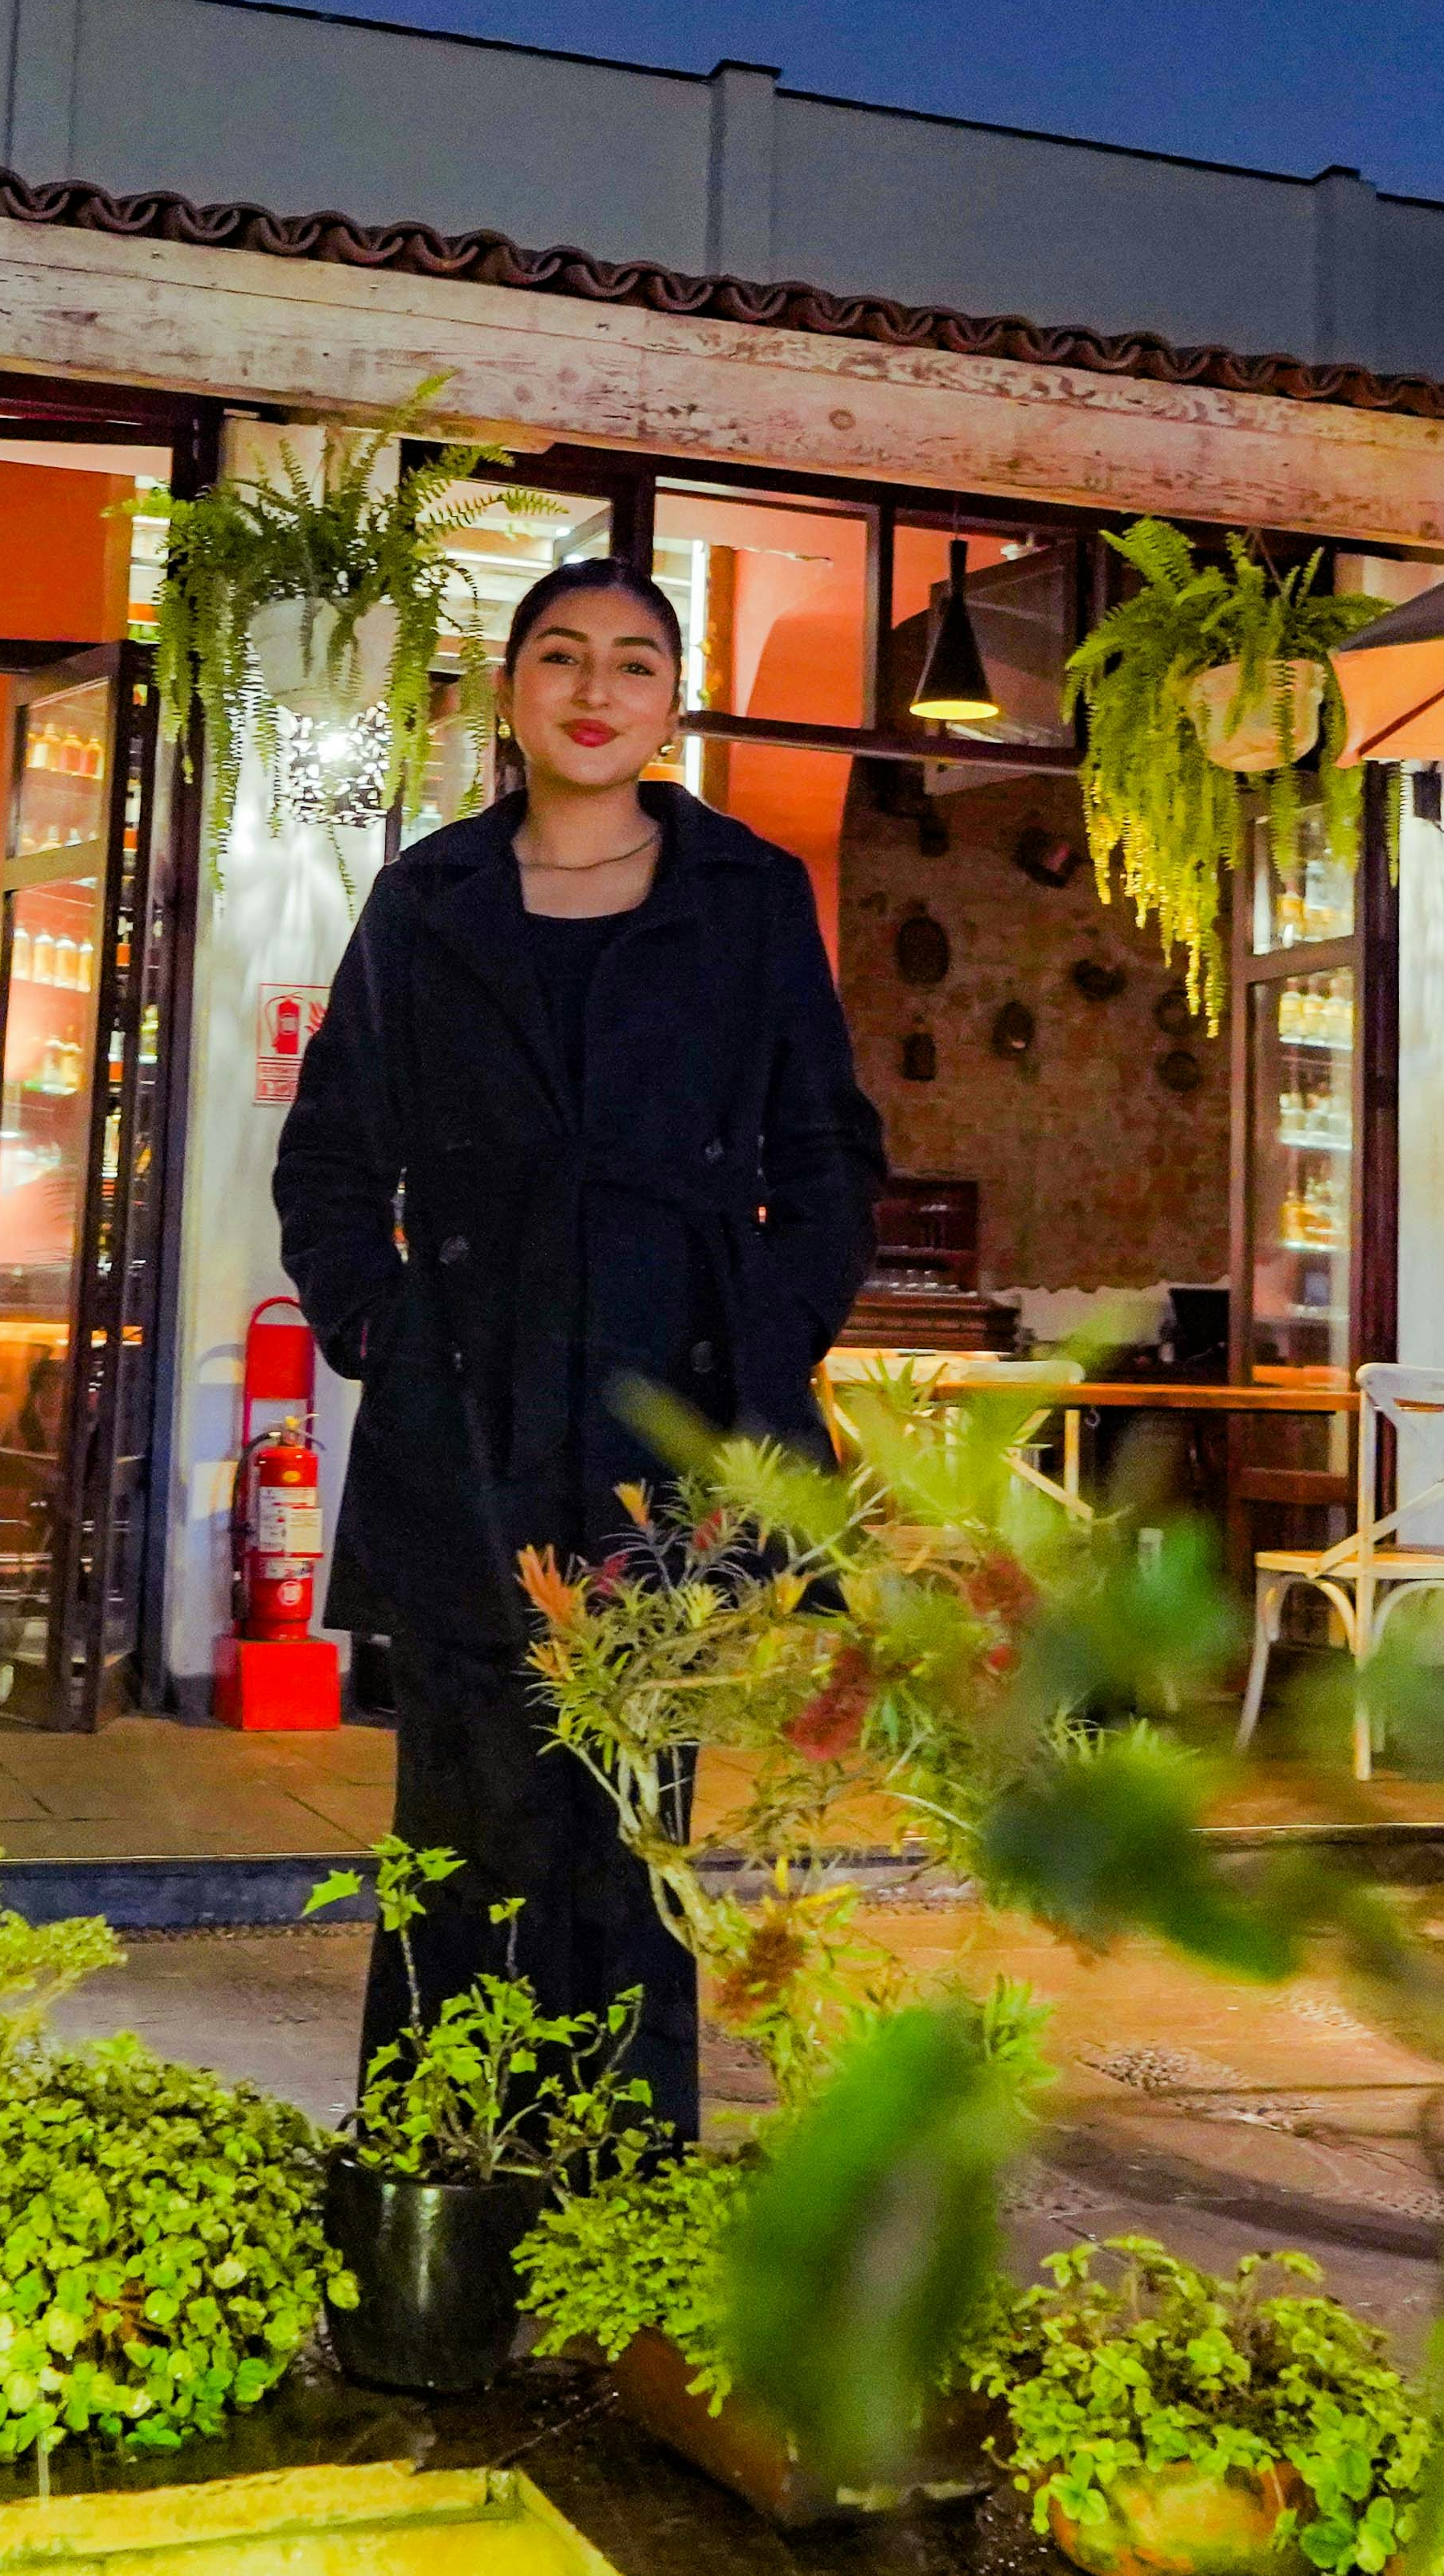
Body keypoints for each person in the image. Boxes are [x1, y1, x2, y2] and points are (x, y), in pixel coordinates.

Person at [275, 558, 884, 2134]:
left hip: (663, 1414)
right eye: (561, 655)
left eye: (633, 660)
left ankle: (618, 2187)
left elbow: (826, 1152)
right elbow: (332, 1150)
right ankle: (437, 2183)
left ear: (672, 704)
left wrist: (764, 1334)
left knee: (628, 1816)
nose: (596, 688)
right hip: (465, 1407)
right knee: (461, 1814)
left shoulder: (747, 893)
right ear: (510, 691)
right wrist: (376, 1320)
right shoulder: (428, 899)